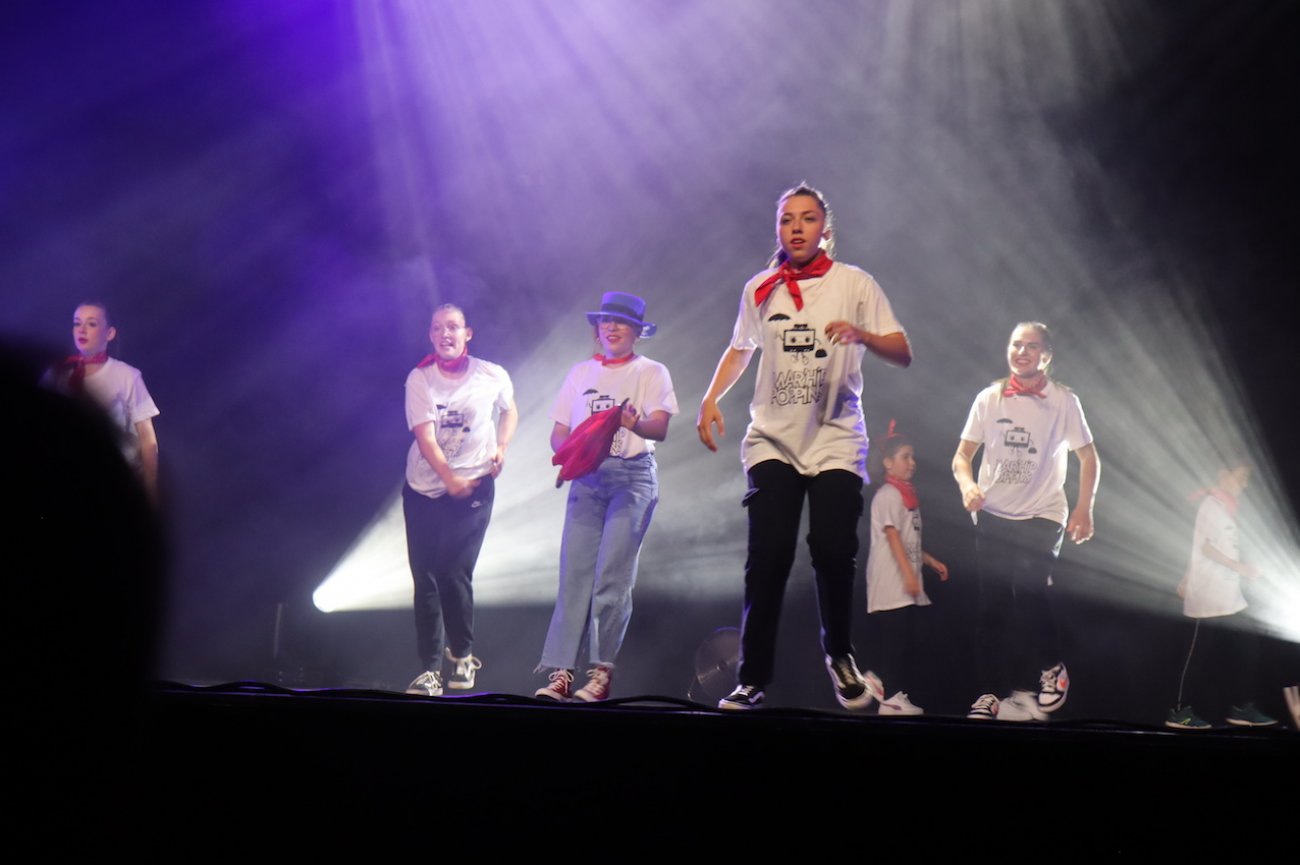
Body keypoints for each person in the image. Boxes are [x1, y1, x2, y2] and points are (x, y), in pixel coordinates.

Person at [697, 183, 912, 711]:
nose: (796, 227)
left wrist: (862, 335)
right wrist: (709, 399)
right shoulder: (760, 288)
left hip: (836, 440)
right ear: (778, 230)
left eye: (808, 218)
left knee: (834, 552)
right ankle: (751, 679)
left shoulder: (854, 283)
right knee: (767, 558)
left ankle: (839, 655)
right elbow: (740, 347)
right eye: (787, 220)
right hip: (773, 440)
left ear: (826, 230)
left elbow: (902, 351)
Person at [952, 321, 1099, 721]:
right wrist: (968, 486)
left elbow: (1088, 457)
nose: (1021, 352)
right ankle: (989, 694)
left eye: (1031, 346)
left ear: (1046, 357)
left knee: (1030, 589)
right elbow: (961, 457)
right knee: (992, 607)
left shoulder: (1064, 400)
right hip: (995, 513)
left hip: (1044, 511)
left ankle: (1052, 668)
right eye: (1016, 344)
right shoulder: (989, 398)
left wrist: (1084, 508)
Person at [534, 292, 677, 702]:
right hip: (588, 480)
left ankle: (600, 673)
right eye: (606, 321)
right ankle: (561, 672)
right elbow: (560, 429)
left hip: (632, 479)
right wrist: (567, 451)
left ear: (636, 331)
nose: (611, 328)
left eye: (620, 322)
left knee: (611, 576)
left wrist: (635, 424)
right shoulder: (580, 373)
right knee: (574, 574)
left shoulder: (652, 372)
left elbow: (659, 428)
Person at [403, 304, 517, 697]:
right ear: (431, 336)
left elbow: (509, 410)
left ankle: (463, 654)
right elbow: (425, 437)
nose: (445, 334)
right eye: (437, 328)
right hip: (423, 490)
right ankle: (429, 671)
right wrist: (447, 478)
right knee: (426, 578)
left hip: (473, 488)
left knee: (453, 569)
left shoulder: (491, 375)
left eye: (453, 327)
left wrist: (501, 447)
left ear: (468, 333)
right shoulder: (420, 379)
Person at [1166, 461, 1278, 729]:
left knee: (1247, 650)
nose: (1244, 485)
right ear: (1223, 474)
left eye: (1246, 479)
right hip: (1206, 593)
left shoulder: (1226, 508)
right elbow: (1204, 547)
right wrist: (1240, 568)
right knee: (1197, 655)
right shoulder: (1211, 505)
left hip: (1229, 594)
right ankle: (1179, 712)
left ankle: (1241, 707)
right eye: (1240, 478)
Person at [864, 423, 949, 715]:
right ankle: (888, 695)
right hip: (892, 582)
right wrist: (910, 576)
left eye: (912, 457)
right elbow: (892, 537)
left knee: (909, 639)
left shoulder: (906, 495)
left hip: (906, 581)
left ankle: (882, 684)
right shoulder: (888, 494)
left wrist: (928, 560)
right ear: (888, 463)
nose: (912, 463)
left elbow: (909, 538)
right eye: (905, 457)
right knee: (897, 641)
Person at [47, 302, 160, 503]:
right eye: (77, 323)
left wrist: (149, 485)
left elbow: (147, 437)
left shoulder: (126, 375)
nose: (81, 329)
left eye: (91, 324)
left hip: (117, 481)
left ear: (109, 333)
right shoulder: (58, 374)